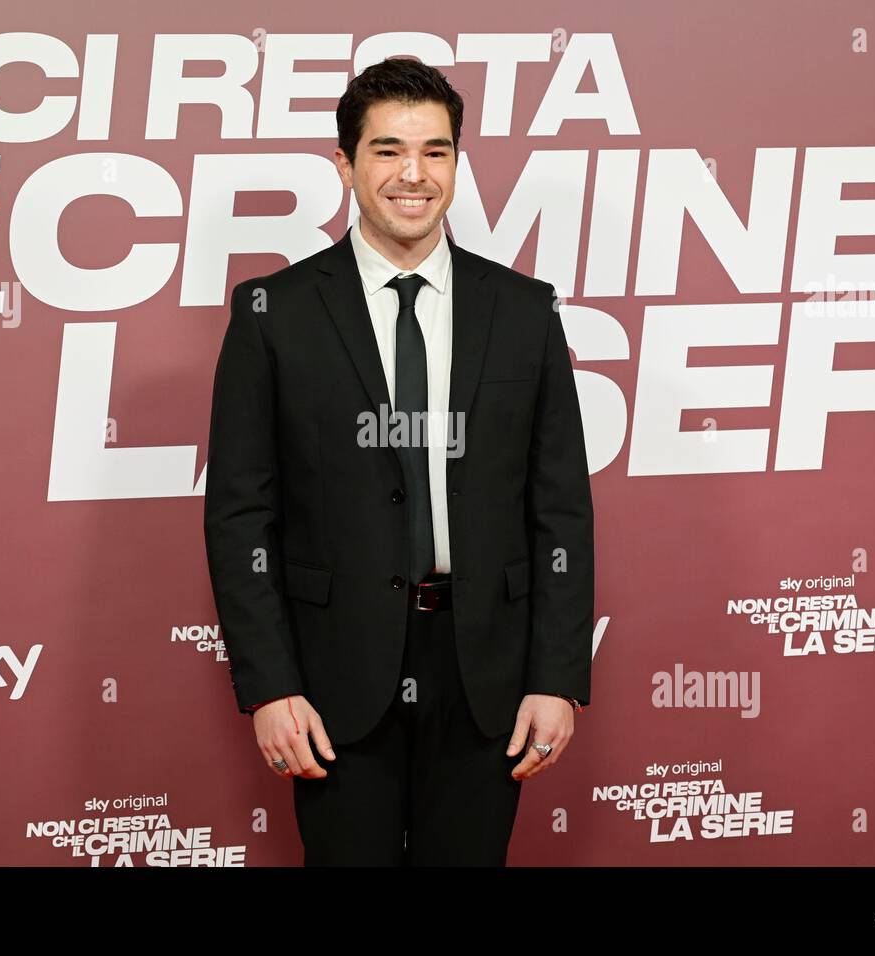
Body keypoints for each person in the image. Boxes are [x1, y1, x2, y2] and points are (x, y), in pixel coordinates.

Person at [203, 56, 594, 866]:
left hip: (484, 669)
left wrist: (558, 677)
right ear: (345, 164)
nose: (412, 175)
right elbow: (241, 513)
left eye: (436, 151)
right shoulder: (274, 315)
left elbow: (560, 507)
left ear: (457, 161)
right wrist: (271, 687)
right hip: (334, 673)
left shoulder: (526, 311)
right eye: (386, 151)